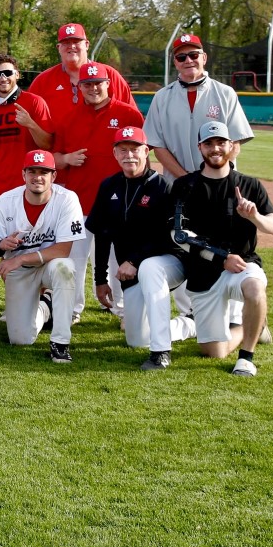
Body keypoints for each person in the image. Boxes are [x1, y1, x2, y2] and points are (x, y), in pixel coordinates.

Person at [170, 121, 273, 376]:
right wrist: (221, 258)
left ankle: (246, 358)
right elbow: (179, 235)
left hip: (243, 263)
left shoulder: (250, 185)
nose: (215, 148)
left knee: (254, 287)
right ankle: (251, 326)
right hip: (204, 271)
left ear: (232, 146)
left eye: (221, 143)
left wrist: (254, 217)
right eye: (209, 143)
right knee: (213, 351)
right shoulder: (185, 186)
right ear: (200, 147)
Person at [84, 127, 196, 370]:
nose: (129, 155)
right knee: (136, 340)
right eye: (122, 150)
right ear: (114, 154)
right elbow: (101, 235)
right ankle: (189, 325)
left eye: (135, 149)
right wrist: (100, 280)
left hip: (168, 263)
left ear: (147, 152)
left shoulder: (164, 187)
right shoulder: (108, 186)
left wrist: (134, 261)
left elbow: (165, 236)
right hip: (132, 271)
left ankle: (161, 351)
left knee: (149, 268)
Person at [51, 62, 144, 317]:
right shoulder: (69, 117)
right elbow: (54, 158)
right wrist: (67, 159)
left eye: (97, 83)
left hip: (120, 203)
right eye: (87, 84)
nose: (93, 88)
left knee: (117, 258)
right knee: (76, 260)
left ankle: (121, 307)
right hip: (79, 200)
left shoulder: (129, 115)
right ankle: (73, 308)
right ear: (79, 87)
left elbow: (143, 154)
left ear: (107, 84)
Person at [0, 150, 84, 363]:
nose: (37, 177)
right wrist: (2, 245)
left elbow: (63, 249)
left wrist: (19, 258)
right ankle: (46, 307)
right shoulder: (6, 200)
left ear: (53, 176)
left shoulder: (67, 199)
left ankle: (60, 342)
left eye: (44, 172)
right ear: (24, 175)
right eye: (32, 171)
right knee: (20, 339)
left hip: (48, 265)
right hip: (19, 272)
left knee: (64, 267)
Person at [143, 33, 254, 180]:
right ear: (175, 63)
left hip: (219, 183)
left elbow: (235, 141)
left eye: (194, 55)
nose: (188, 60)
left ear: (204, 58)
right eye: (181, 57)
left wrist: (211, 177)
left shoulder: (225, 93)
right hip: (178, 185)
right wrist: (186, 179)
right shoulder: (161, 97)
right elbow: (158, 146)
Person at [0, 53, 53, 214]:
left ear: (17, 75)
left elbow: (47, 144)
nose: (3, 78)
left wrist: (30, 124)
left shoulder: (34, 102)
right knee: (1, 239)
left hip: (30, 187)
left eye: (8, 73)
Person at [27, 23, 132, 132]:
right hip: (57, 148)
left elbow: (132, 119)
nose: (71, 46)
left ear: (86, 45)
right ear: (58, 48)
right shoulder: (43, 81)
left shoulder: (110, 75)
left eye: (76, 41)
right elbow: (28, 122)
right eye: (66, 42)